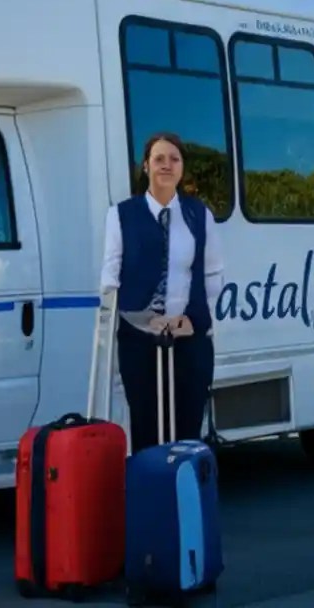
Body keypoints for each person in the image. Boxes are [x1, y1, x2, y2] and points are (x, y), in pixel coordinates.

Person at [100, 131, 224, 452]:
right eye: (159, 159)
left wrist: (197, 322)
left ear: (182, 168)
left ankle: (182, 497)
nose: (166, 165)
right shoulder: (121, 215)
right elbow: (110, 279)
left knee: (187, 429)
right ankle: (150, 495)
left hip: (188, 338)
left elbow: (212, 275)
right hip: (139, 339)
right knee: (147, 428)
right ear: (146, 167)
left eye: (174, 159)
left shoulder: (199, 215)